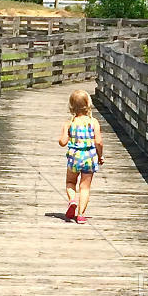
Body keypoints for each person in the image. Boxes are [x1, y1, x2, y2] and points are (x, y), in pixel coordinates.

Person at [58, 89, 103, 224]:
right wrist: (100, 156)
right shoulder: (93, 122)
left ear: (71, 106)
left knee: (70, 182)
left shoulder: (70, 123)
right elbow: (99, 142)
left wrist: (65, 135)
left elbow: (62, 142)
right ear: (88, 104)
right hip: (89, 157)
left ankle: (72, 200)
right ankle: (81, 215)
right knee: (85, 187)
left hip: (74, 157)